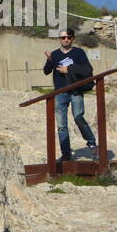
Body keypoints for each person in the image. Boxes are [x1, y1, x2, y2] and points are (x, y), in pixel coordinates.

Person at [43, 28, 97, 163]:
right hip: (60, 92)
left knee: (78, 117)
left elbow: (88, 70)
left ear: (73, 39)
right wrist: (49, 60)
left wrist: (69, 69)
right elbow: (46, 71)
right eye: (63, 38)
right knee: (61, 126)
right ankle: (66, 154)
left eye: (68, 37)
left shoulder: (79, 53)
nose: (65, 39)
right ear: (59, 40)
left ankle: (91, 142)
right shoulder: (54, 54)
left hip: (76, 90)